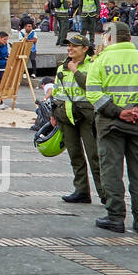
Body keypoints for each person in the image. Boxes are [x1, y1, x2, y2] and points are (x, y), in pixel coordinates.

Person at [85, 21, 138, 234]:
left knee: (111, 172)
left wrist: (118, 111)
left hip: (111, 125)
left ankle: (115, 217)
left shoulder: (100, 61)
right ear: (130, 38)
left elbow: (93, 94)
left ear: (109, 38)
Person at [51, 33, 103, 205]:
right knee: (75, 156)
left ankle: (105, 193)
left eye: (75, 46)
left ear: (85, 49)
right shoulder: (62, 68)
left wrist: (75, 70)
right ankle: (81, 191)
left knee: (94, 156)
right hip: (67, 117)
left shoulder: (94, 65)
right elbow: (58, 92)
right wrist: (54, 114)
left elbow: (90, 86)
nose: (70, 49)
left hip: (88, 117)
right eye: (69, 45)